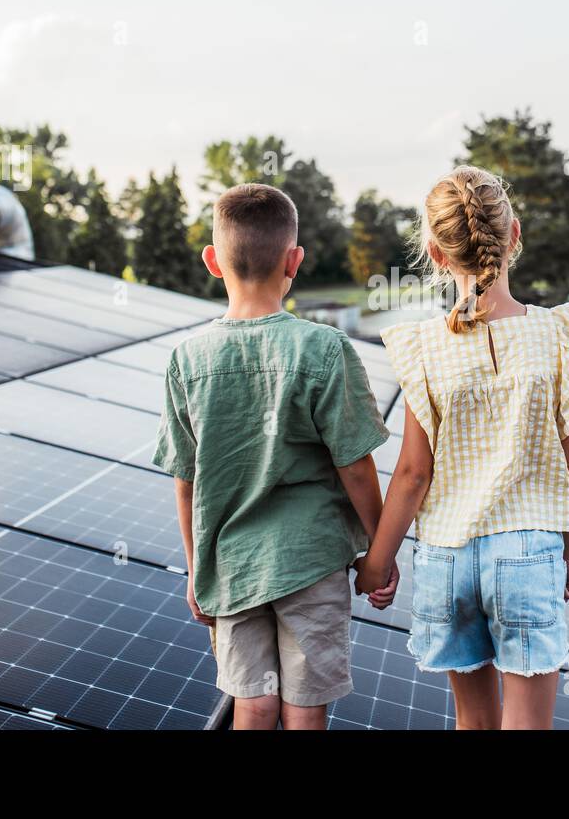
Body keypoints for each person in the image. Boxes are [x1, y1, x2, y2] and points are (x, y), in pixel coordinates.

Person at [355, 165, 569, 730]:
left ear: (436, 254)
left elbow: (413, 473)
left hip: (445, 557)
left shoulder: (423, 348)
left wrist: (377, 563)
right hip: (528, 550)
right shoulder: (557, 335)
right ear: (513, 236)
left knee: (474, 724)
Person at [154, 182, 397, 730]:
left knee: (253, 703)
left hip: (232, 566)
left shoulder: (186, 359)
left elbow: (185, 478)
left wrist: (198, 570)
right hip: (311, 561)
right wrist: (379, 552)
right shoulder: (325, 349)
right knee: (305, 707)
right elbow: (356, 466)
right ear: (296, 260)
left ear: (213, 262)